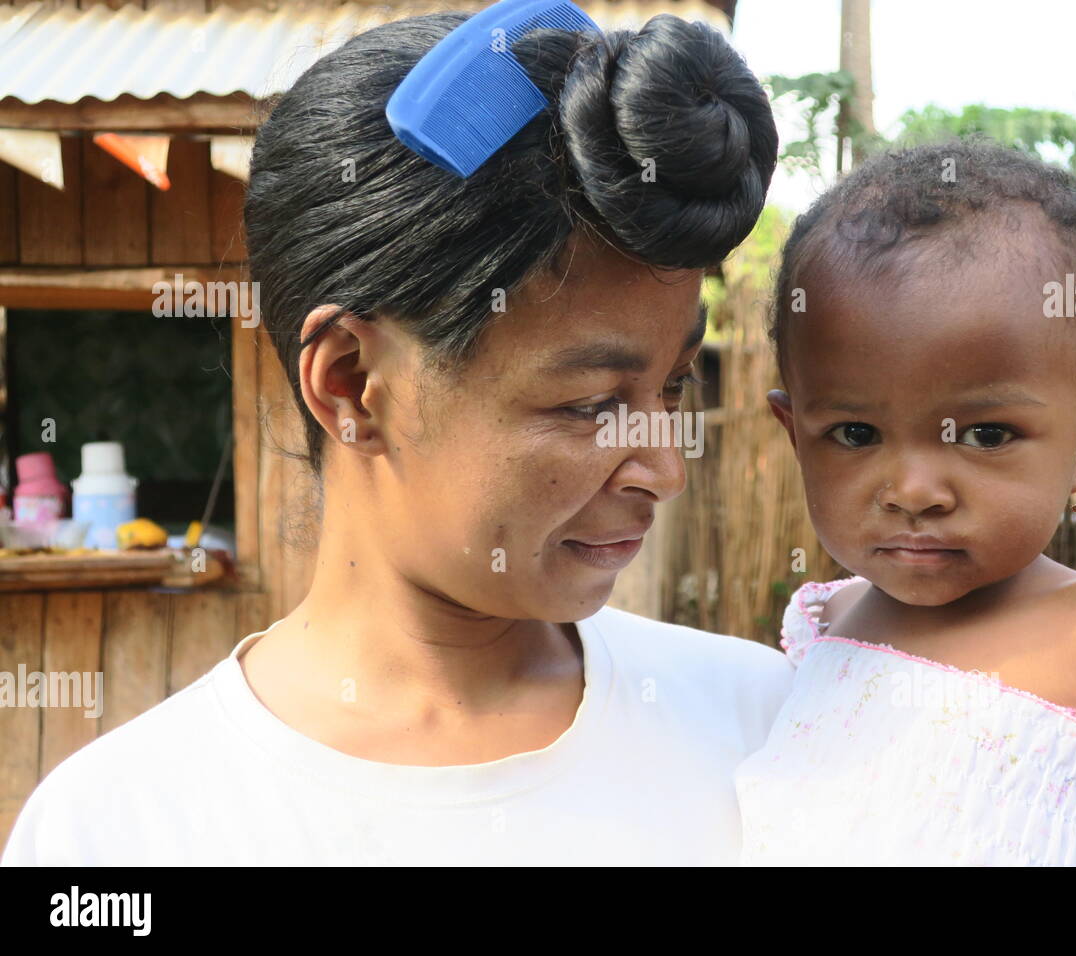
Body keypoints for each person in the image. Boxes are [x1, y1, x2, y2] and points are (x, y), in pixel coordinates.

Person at [1, 9, 791, 866]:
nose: (666, 469)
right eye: (592, 404)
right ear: (350, 384)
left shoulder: (769, 731)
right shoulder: (118, 832)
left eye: (671, 385)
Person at [735, 139, 1076, 865]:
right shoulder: (823, 631)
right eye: (854, 432)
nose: (913, 492)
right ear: (794, 433)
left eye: (987, 433)